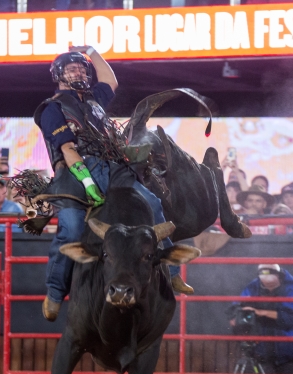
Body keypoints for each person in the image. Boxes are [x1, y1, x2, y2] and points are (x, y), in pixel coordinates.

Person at [35, 46, 191, 321]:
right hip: (73, 172)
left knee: (153, 203)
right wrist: (87, 182)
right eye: (72, 69)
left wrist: (91, 52)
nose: (80, 72)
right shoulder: (52, 108)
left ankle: (173, 274)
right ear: (58, 75)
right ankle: (55, 293)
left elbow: (110, 80)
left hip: (111, 165)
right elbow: (69, 150)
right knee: (71, 229)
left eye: (83, 69)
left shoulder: (94, 99)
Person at [229, 264, 293, 374]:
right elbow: (236, 306)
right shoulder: (253, 286)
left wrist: (259, 312)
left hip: (290, 353)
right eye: (265, 286)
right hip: (262, 352)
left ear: (279, 277)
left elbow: (289, 318)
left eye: (272, 286)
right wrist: (236, 316)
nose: (268, 288)